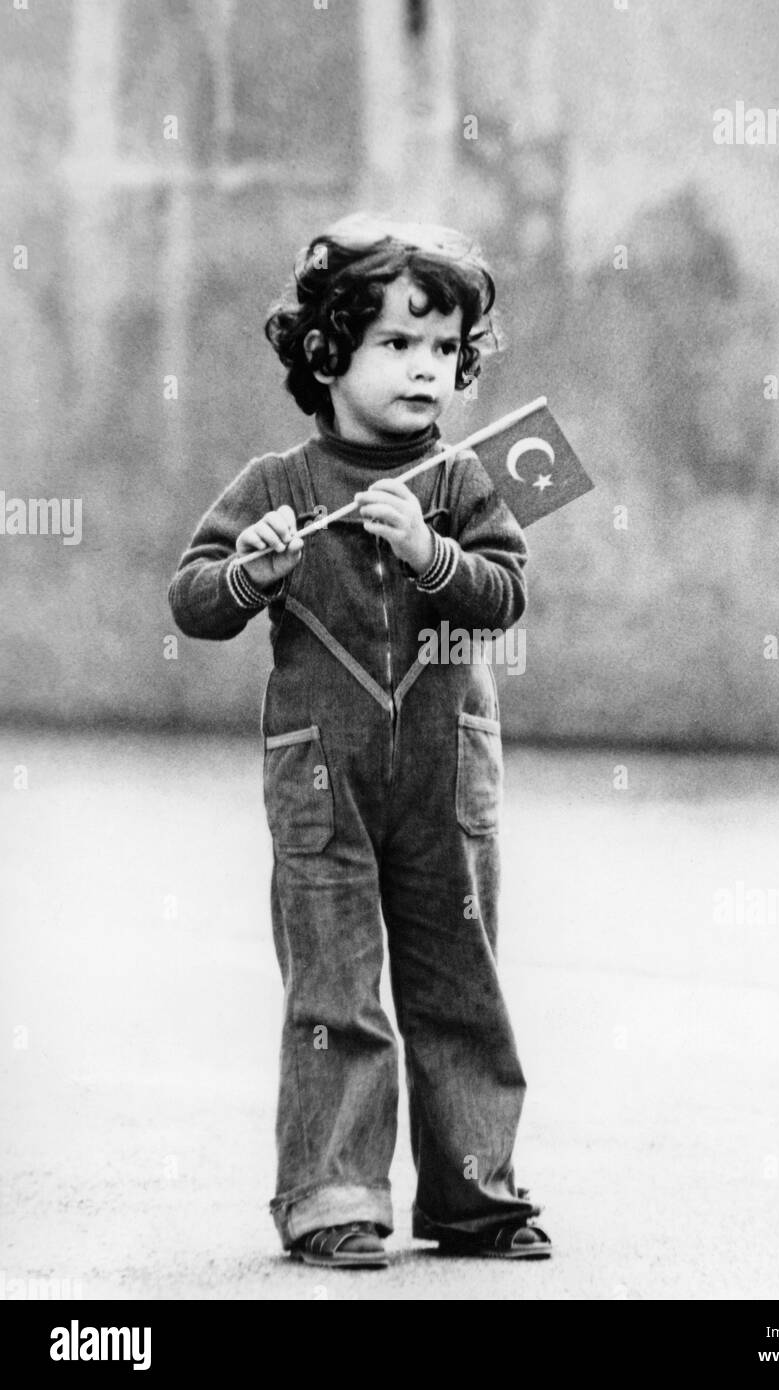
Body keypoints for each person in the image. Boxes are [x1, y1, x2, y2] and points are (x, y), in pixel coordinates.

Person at [168, 214, 550, 1268]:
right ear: (328, 353)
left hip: (447, 776)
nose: (427, 368)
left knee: (457, 978)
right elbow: (193, 600)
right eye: (397, 343)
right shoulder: (275, 485)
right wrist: (250, 569)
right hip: (320, 782)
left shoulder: (466, 482)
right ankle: (332, 1193)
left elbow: (505, 597)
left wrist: (433, 554)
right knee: (333, 987)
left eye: (444, 348)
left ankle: (476, 1191)